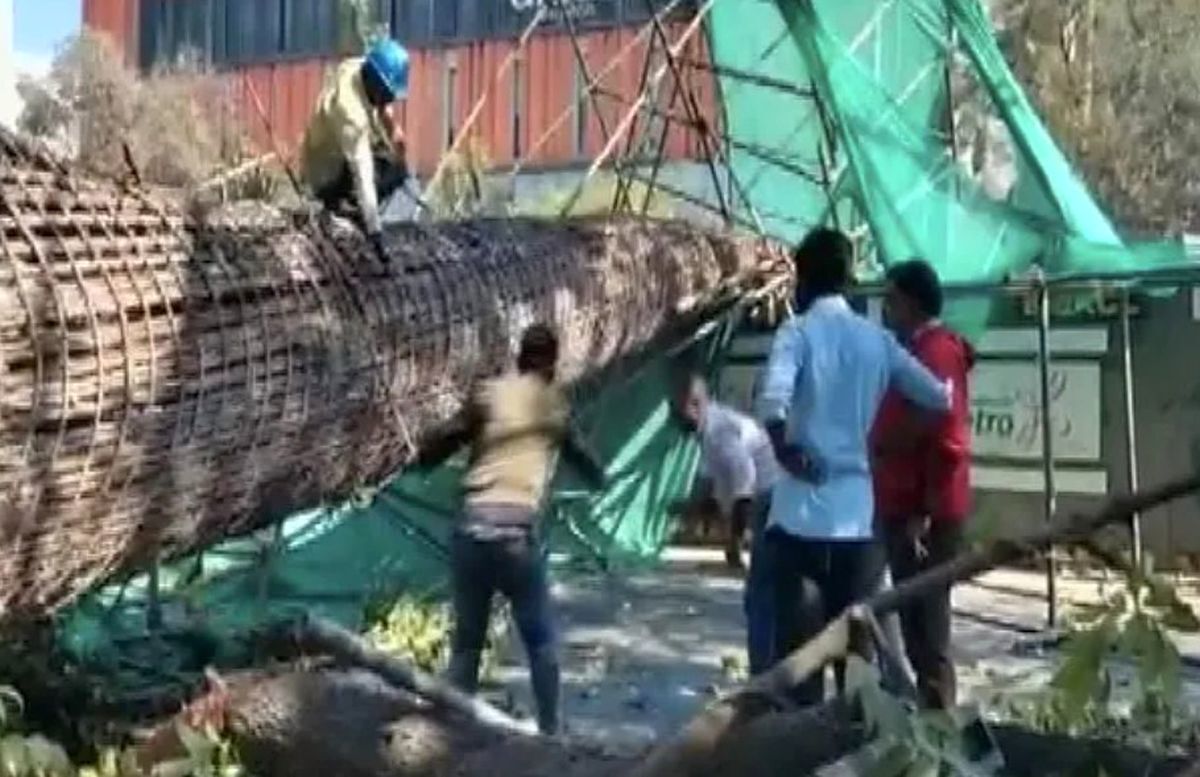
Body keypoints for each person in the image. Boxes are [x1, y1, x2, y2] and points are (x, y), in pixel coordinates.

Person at [757, 228, 953, 705]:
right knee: (859, 665)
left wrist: (786, 449)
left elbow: (772, 400)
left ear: (803, 281)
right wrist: (888, 444)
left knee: (799, 661)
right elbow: (937, 396)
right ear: (846, 280)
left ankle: (801, 755)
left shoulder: (796, 332)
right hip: (857, 522)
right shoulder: (877, 341)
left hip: (799, 517)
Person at [417, 324, 605, 736]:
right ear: (553, 365)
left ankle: (452, 733)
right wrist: (600, 477)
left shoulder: (490, 392)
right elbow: (585, 459)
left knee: (467, 643)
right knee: (539, 640)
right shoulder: (556, 404)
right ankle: (551, 733)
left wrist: (419, 455)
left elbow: (446, 440)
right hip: (517, 535)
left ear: (520, 356)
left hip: (472, 529)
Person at [871, 259, 975, 710]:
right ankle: (930, 721)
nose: (885, 308)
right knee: (915, 627)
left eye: (890, 298)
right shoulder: (915, 350)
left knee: (928, 629)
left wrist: (924, 513)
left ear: (910, 302)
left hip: (922, 517)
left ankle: (940, 727)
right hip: (905, 508)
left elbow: (947, 441)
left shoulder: (936, 354)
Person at [673, 371, 779, 675]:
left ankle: (763, 673)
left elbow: (744, 485)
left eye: (678, 408)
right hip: (766, 497)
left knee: (760, 594)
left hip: (770, 497)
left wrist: (734, 542)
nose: (675, 418)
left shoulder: (720, 430)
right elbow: (719, 485)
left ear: (695, 405)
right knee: (763, 593)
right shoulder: (710, 432)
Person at [300, 38, 411, 264]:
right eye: (387, 95)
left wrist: (391, 126)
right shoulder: (352, 116)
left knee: (390, 158)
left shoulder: (358, 67)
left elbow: (382, 104)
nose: (389, 101)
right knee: (395, 171)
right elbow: (364, 175)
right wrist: (376, 234)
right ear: (377, 86)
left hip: (329, 150)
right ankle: (346, 211)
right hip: (325, 174)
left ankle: (354, 210)